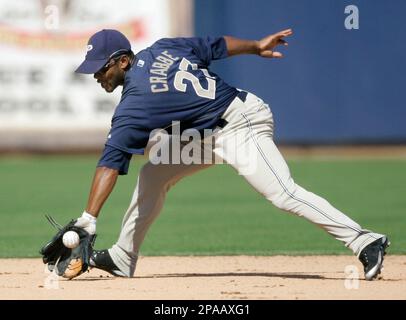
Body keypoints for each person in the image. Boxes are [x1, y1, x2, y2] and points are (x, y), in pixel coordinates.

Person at [73, 28, 389, 281]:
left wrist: (88, 220)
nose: (96, 75)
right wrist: (255, 45)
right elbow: (218, 45)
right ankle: (122, 257)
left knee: (282, 193)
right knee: (153, 174)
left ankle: (365, 240)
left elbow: (109, 163)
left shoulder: (134, 106)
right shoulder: (165, 47)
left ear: (124, 61)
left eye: (100, 68)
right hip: (203, 136)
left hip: (240, 124)